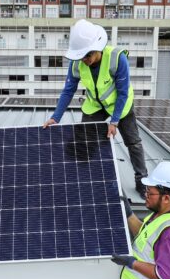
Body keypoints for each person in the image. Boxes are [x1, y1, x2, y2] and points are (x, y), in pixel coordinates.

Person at [43, 19, 148, 198]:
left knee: (133, 143)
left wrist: (114, 121)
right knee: (85, 141)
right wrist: (56, 117)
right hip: (95, 106)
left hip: (120, 105)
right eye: (81, 57)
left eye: (87, 56)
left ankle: (142, 181)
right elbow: (68, 90)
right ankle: (89, 178)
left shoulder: (117, 58)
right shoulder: (77, 63)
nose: (84, 61)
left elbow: (123, 93)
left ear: (97, 49)